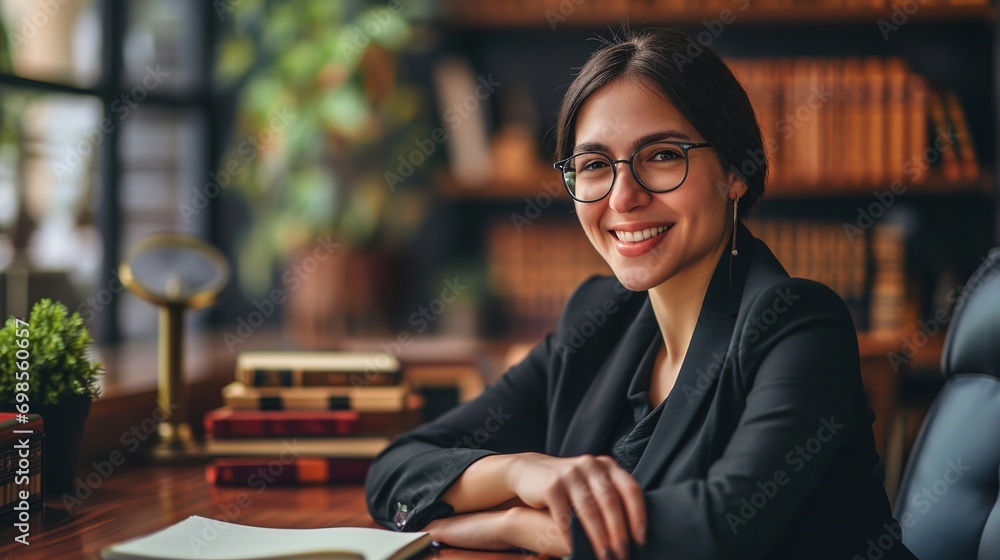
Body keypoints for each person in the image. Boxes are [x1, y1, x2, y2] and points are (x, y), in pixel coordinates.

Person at [366, 27, 917, 559]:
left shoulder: (796, 323)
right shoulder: (598, 318)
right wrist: (521, 471)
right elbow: (397, 468)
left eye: (661, 156)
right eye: (594, 166)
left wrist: (520, 524)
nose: (622, 197)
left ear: (735, 173)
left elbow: (716, 533)